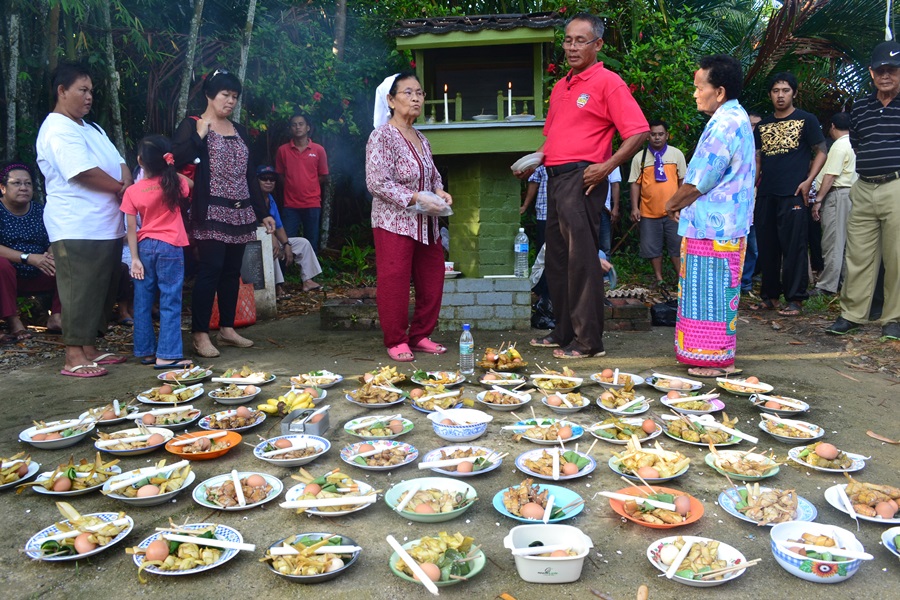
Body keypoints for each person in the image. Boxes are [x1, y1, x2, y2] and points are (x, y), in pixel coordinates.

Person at [518, 12, 649, 358]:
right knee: (557, 260)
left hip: (584, 179)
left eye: (581, 40)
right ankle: (563, 332)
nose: (572, 47)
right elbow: (553, 139)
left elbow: (638, 132)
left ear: (598, 44)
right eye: (568, 40)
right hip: (554, 180)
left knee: (582, 261)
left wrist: (606, 167)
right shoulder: (563, 86)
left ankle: (589, 342)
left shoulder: (608, 82)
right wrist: (534, 161)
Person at [36, 62, 132, 377]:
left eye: (91, 91)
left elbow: (119, 161)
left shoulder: (92, 128)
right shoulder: (56, 128)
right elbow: (81, 172)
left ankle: (89, 348)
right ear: (62, 91)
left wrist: (126, 185)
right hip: (76, 224)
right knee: (79, 290)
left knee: (101, 289)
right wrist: (121, 189)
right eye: (83, 90)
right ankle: (73, 357)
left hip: (105, 224)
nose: (89, 97)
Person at [172, 68, 276, 358]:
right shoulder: (193, 124)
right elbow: (174, 157)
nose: (230, 101)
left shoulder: (240, 130)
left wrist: (262, 211)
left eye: (234, 96)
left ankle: (227, 329)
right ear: (209, 95)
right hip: (210, 210)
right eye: (225, 95)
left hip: (241, 211)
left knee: (232, 272)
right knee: (210, 270)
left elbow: (249, 175)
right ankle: (200, 334)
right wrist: (198, 137)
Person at [664, 54, 756, 377]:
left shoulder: (723, 123)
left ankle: (713, 359)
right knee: (717, 291)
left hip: (715, 230)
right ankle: (710, 355)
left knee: (712, 293)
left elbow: (700, 179)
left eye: (699, 87)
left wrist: (672, 203)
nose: (694, 93)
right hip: (724, 226)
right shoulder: (737, 117)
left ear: (719, 92)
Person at [366, 71, 452, 362]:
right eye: (408, 92)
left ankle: (420, 335)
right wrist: (416, 198)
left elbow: (431, 172)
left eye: (420, 93)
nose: (416, 98)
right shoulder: (382, 136)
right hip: (393, 222)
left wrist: (440, 191)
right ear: (390, 100)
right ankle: (396, 339)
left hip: (426, 221)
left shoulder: (421, 137)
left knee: (433, 277)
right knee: (395, 280)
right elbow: (377, 182)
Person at [827, 41, 900, 341]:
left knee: (896, 256)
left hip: (896, 186)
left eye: (892, 70)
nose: (886, 76)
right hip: (864, 186)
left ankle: (893, 319)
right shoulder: (860, 107)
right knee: (857, 254)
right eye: (880, 70)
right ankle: (852, 314)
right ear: (871, 73)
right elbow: (857, 144)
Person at [752, 72, 826, 317]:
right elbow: (758, 159)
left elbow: (821, 152)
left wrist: (808, 181)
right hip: (766, 193)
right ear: (770, 94)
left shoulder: (807, 120)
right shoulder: (762, 126)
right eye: (775, 91)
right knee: (767, 246)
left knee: (793, 247)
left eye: (785, 90)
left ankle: (795, 299)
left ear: (793, 92)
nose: (780, 95)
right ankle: (770, 296)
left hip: (794, 193)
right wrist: (753, 188)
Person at [0, 162, 62, 342]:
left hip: (39, 272)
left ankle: (57, 316)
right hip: (8, 275)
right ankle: (13, 321)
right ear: (3, 187)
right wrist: (28, 258)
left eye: (28, 184)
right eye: (17, 183)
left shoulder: (39, 211)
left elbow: (50, 241)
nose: (23, 188)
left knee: (66, 260)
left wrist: (52, 255)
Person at [628, 119, 687, 286]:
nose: (657, 138)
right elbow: (635, 183)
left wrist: (681, 206)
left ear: (667, 135)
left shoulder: (676, 155)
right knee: (653, 248)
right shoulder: (640, 158)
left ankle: (681, 280)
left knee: (677, 246)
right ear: (648, 136)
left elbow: (683, 181)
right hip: (648, 211)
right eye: (653, 134)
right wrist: (634, 208)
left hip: (673, 212)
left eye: (661, 134)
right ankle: (659, 279)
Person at [255, 166, 322, 297]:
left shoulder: (271, 199)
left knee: (303, 243)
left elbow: (279, 226)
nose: (268, 182)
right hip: (256, 242)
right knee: (272, 248)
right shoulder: (252, 198)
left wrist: (286, 244)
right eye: (264, 178)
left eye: (272, 179)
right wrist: (272, 237)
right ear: (256, 181)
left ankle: (307, 280)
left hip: (271, 237)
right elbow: (255, 223)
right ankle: (277, 287)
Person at [810, 112, 856, 297]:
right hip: (853, 194)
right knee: (847, 242)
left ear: (833, 127)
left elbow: (830, 176)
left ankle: (827, 285)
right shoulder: (855, 143)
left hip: (838, 194)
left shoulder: (839, 145)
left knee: (833, 241)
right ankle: (845, 283)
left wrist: (818, 200)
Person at [275, 113, 329, 252]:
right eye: (294, 124)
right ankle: (286, 270)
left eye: (301, 124)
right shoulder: (283, 151)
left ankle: (310, 273)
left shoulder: (318, 150)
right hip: (290, 204)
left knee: (311, 240)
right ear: (290, 129)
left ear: (307, 128)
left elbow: (323, 175)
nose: (297, 127)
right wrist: (292, 186)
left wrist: (309, 185)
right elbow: (280, 175)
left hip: (312, 203)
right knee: (287, 239)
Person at [740, 110, 763, 296]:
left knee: (753, 248)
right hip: (737, 206)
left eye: (756, 125)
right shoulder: (738, 144)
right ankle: (735, 284)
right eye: (750, 124)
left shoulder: (766, 148)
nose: (753, 128)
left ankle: (746, 283)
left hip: (759, 204)